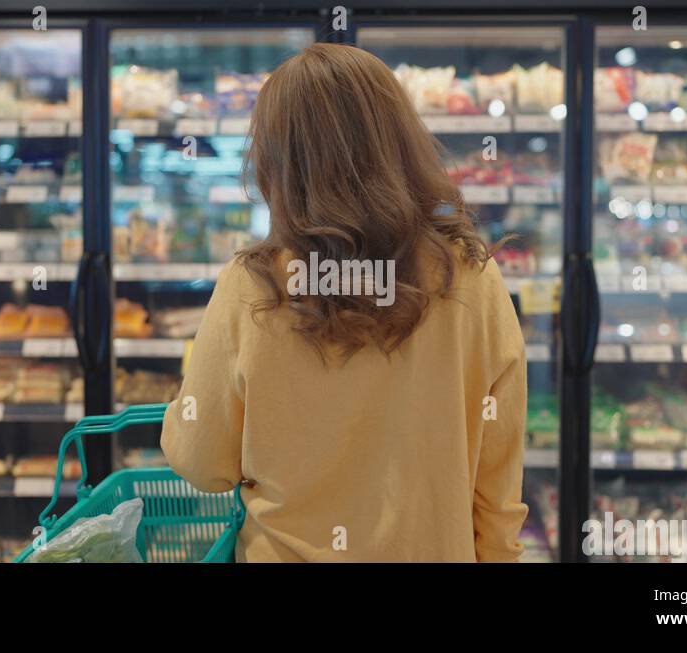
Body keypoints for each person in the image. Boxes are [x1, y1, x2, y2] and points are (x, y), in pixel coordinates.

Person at [161, 43, 527, 562]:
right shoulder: (472, 277)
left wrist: (184, 415)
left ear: (276, 160)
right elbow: (498, 492)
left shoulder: (253, 286)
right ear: (398, 141)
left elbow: (202, 461)